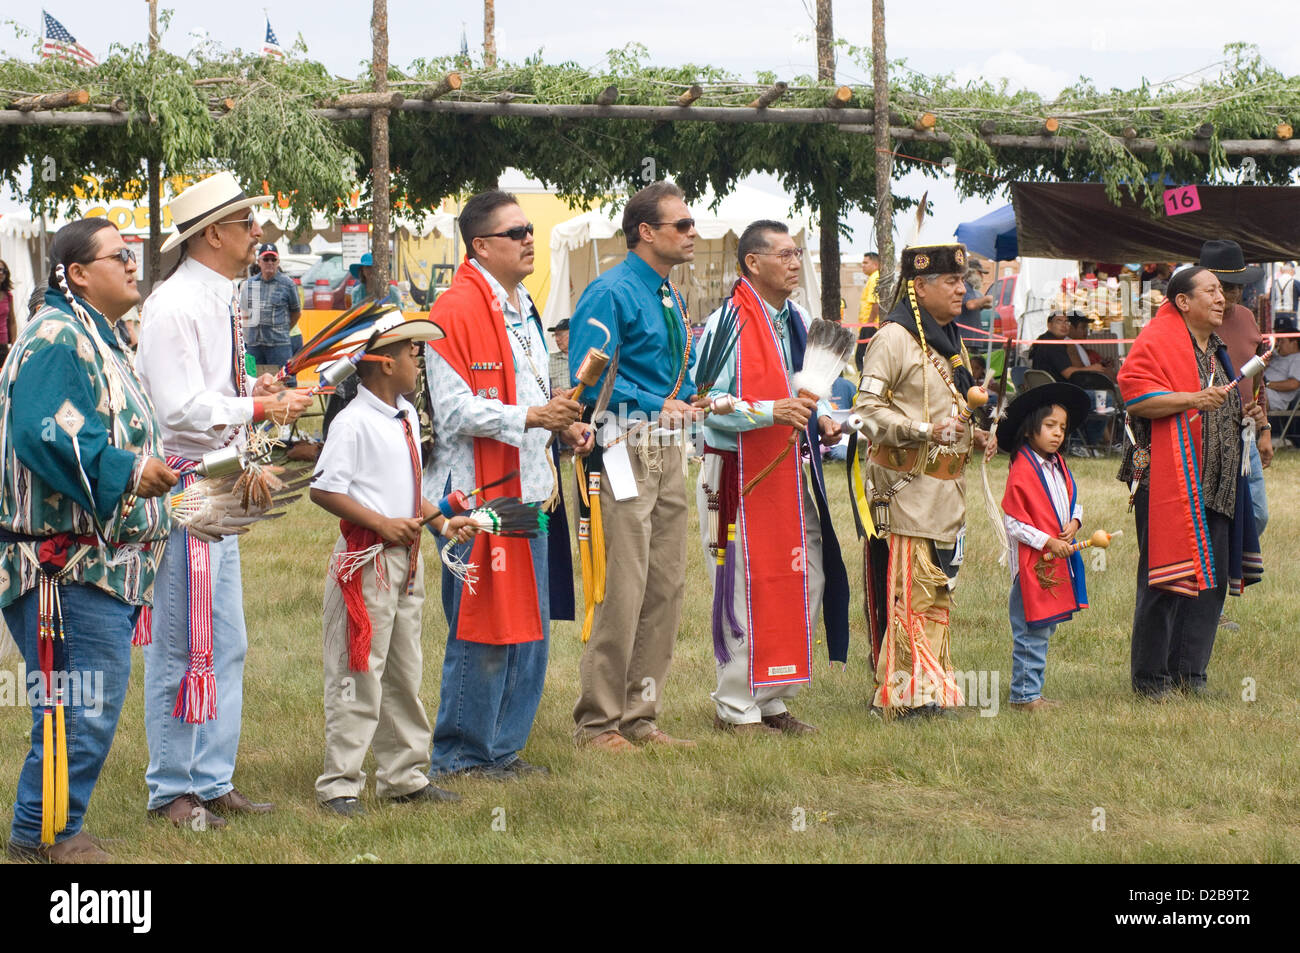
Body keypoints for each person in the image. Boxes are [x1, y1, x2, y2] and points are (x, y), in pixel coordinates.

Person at [135, 172, 312, 828]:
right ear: (213, 233)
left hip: (219, 478)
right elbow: (179, 406)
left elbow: (211, 390)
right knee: (182, 640)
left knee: (225, 639)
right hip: (187, 484)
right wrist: (262, 403)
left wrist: (253, 390)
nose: (256, 234)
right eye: (246, 224)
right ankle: (172, 787)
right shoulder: (175, 304)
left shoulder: (218, 297)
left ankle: (210, 778)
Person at [1, 218, 177, 862]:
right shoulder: (57, 340)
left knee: (83, 702)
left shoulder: (96, 338)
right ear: (76, 272)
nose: (133, 266)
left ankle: (48, 829)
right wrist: (128, 469)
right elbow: (50, 428)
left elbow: (83, 423)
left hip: (90, 563)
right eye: (119, 256)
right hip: (62, 567)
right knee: (80, 705)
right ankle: (43, 835)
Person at [424, 190, 589, 779]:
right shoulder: (453, 312)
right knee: (481, 632)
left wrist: (558, 429)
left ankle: (502, 749)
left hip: (533, 485)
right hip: (476, 497)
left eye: (529, 229)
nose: (528, 238)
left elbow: (532, 396)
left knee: (530, 627)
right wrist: (530, 419)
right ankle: (461, 754)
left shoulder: (525, 307)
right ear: (481, 245)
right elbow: (454, 411)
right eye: (515, 231)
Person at [311, 315, 477, 815]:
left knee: (404, 670)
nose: (418, 362)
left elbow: (408, 488)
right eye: (412, 354)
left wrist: (439, 521)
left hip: (405, 565)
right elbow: (325, 489)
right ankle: (340, 783)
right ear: (385, 363)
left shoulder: (405, 414)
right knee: (357, 670)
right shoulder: (353, 422)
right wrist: (383, 525)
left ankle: (404, 775)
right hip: (368, 563)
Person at [693, 220, 849, 735]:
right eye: (784, 254)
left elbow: (807, 388)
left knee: (801, 575)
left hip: (789, 469)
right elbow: (705, 404)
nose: (795, 261)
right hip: (735, 471)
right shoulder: (726, 324)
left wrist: (822, 415)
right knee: (742, 584)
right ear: (753, 263)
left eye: (798, 252)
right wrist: (768, 412)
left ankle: (775, 697)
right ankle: (736, 707)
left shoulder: (797, 320)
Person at [568, 181, 703, 751]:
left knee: (665, 585)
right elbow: (586, 375)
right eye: (682, 225)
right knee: (622, 586)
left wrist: (692, 399)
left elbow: (671, 370)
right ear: (646, 232)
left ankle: (641, 714)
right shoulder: (610, 291)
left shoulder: (669, 292)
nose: (692, 233)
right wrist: (656, 404)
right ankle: (598, 721)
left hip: (667, 450)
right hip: (620, 446)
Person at [855, 242, 993, 719]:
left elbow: (950, 406)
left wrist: (976, 434)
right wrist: (924, 431)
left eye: (963, 281)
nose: (962, 289)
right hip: (907, 486)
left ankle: (928, 688)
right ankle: (900, 694)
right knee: (909, 589)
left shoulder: (946, 339)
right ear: (920, 286)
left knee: (936, 593)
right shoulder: (893, 338)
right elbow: (866, 412)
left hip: (945, 490)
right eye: (952, 282)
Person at [1117, 266, 1263, 700]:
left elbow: (1223, 404)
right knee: (1164, 578)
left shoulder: (1216, 348)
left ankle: (1190, 674)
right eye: (1212, 291)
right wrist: (1193, 399)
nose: (1222, 298)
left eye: (1223, 291)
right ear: (1183, 301)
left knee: (1211, 579)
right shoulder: (1158, 339)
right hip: (1168, 479)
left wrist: (1249, 415)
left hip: (1217, 477)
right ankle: (1150, 679)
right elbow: (1136, 394)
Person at [996, 382, 1092, 712]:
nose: (1057, 434)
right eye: (1050, 426)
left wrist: (1074, 524)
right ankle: (1024, 696)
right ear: (1030, 427)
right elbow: (1014, 523)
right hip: (1031, 568)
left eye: (1062, 428)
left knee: (1043, 628)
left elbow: (1073, 502)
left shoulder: (1058, 466)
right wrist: (1048, 540)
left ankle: (1031, 691)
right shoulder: (1022, 471)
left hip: (1052, 564)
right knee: (1030, 631)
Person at [1199, 241, 1271, 542]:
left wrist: (1264, 426)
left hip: (1245, 430)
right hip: (1206, 433)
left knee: (1257, 512)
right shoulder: (1191, 321)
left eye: (1238, 286)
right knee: (1211, 512)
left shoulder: (1246, 317)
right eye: (1226, 286)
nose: (1233, 294)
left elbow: (1257, 377)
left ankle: (1229, 564)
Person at [239, 243, 301, 382]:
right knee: (252, 383)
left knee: (283, 384)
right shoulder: (249, 284)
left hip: (279, 345)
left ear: (278, 262)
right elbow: (244, 314)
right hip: (254, 346)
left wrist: (282, 330)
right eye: (266, 259)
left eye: (273, 260)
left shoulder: (287, 284)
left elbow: (296, 312)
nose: (270, 263)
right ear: (259, 261)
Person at [1263, 316, 1300, 444]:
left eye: (1282, 341)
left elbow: (1294, 384)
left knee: (1256, 396)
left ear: (1294, 343)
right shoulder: (1277, 356)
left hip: (1274, 397)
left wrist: (1266, 384)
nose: (1278, 344)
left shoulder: (1297, 358)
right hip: (1262, 388)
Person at [1029, 310, 1075, 382]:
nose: (1064, 325)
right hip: (1055, 390)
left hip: (1041, 387)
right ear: (1049, 325)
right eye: (1059, 322)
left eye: (1066, 322)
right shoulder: (1053, 344)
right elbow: (1069, 373)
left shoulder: (1042, 338)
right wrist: (1093, 368)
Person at [854, 251, 880, 372]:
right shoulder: (872, 278)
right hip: (867, 325)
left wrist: (868, 324)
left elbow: (876, 303)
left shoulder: (875, 278)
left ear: (875, 265)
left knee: (862, 357)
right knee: (861, 357)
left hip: (870, 325)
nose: (862, 265)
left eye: (866, 262)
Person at [959, 259, 993, 347]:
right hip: (967, 340)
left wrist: (982, 306)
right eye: (980, 273)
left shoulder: (969, 288)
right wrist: (987, 298)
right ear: (971, 272)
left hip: (969, 339)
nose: (982, 277)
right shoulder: (965, 286)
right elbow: (970, 305)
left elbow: (967, 307)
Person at [549, 317, 571, 394]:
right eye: (555, 335)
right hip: (559, 402)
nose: (556, 339)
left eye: (560, 335)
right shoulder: (549, 360)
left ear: (572, 334)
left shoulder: (584, 357)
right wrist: (551, 391)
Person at [0, 257, 15, 365]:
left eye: (3, 271)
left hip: (3, 345)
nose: (1, 273)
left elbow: (12, 321)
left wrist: (14, 343)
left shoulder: (8, 296)